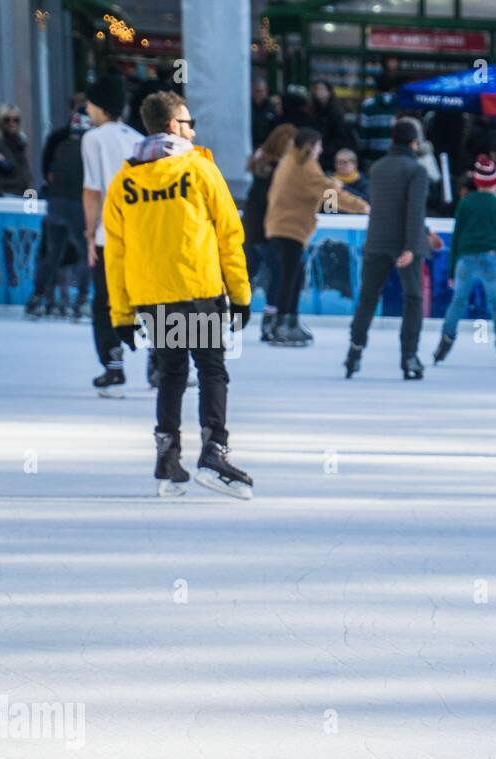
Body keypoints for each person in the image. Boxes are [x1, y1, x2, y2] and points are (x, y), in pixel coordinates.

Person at [101, 90, 255, 498]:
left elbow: (114, 252)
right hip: (197, 288)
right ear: (174, 126)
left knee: (171, 373)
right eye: (189, 123)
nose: (192, 130)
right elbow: (229, 235)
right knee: (211, 369)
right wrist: (240, 294)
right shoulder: (198, 170)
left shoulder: (125, 181)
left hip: (152, 295)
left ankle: (168, 459)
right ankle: (214, 451)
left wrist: (121, 313)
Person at [263, 126, 369, 346]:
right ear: (310, 146)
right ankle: (283, 324)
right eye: (319, 146)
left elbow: (325, 195)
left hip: (282, 226)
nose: (321, 150)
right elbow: (331, 194)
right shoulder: (305, 167)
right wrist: (363, 207)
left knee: (295, 276)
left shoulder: (289, 161)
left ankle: (288, 321)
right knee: (289, 278)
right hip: (289, 228)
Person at [345, 118, 431, 381]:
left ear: (392, 140)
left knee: (368, 298)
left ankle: (354, 352)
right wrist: (412, 246)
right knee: (413, 298)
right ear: (414, 143)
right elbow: (414, 210)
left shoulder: (378, 168)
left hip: (376, 241)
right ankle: (409, 356)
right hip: (403, 243)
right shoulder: (416, 170)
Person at [80, 73, 143, 390]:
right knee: (147, 299)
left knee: (105, 302)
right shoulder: (136, 138)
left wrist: (90, 234)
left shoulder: (93, 139)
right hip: (140, 235)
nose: (88, 110)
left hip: (109, 236)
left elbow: (92, 190)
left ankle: (113, 363)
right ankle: (162, 362)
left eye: (90, 104)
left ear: (100, 106)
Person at [433, 155, 496, 368]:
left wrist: (450, 272)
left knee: (458, 302)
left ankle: (445, 342)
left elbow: (456, 237)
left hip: (465, 259)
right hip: (490, 258)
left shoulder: (466, 203)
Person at [26, 107, 89, 322]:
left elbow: (49, 173)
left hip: (55, 204)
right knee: (86, 253)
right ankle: (80, 301)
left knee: (52, 254)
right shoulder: (88, 148)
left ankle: (36, 297)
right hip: (75, 204)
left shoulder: (61, 145)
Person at [243, 123, 296, 342]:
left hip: (255, 230)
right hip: (266, 231)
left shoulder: (263, 164)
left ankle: (228, 317)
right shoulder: (275, 169)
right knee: (279, 274)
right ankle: (270, 320)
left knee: (249, 274)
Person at [357, 72, 401, 170]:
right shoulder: (400, 104)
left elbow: (363, 135)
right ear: (392, 87)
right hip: (396, 156)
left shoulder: (368, 105)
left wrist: (363, 153)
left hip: (373, 157)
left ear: (376, 87)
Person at [310, 81, 357, 170]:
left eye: (322, 89)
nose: (319, 92)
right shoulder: (313, 111)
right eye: (317, 89)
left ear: (329, 92)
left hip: (330, 154)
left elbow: (341, 136)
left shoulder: (336, 112)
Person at [0, 104, 33, 196]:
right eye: (7, 119)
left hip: (23, 191)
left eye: (16, 120)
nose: (11, 123)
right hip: (6, 192)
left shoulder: (20, 141)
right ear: (0, 120)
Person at [250, 76, 279, 149]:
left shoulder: (271, 108)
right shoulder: (248, 108)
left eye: (262, 91)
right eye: (257, 91)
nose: (260, 94)